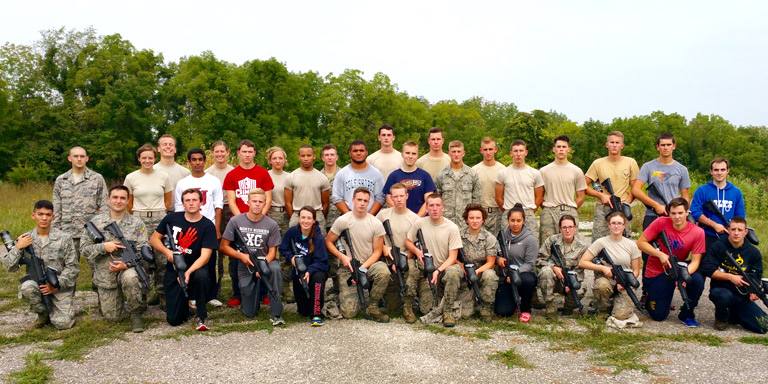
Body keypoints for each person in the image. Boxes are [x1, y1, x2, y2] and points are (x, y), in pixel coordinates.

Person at [80, 186, 149, 332]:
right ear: (108, 200)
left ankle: (135, 313)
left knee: (131, 278)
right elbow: (84, 249)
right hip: (106, 274)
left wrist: (126, 264)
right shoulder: (96, 223)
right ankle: (112, 300)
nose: (118, 201)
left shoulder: (137, 224)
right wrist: (103, 247)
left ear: (128, 200)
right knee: (113, 317)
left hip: (128, 269)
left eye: (123, 198)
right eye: (115, 197)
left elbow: (143, 250)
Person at [3, 200, 79, 330]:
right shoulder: (25, 239)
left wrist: (56, 285)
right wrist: (18, 248)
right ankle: (43, 314)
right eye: (40, 214)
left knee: (63, 324)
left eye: (48, 215)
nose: (44, 218)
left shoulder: (64, 238)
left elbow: (73, 268)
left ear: (53, 217)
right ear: (33, 215)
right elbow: (9, 267)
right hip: (37, 286)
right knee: (27, 287)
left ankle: (55, 311)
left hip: (59, 287)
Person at [631, 133, 691, 297]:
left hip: (674, 217)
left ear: (674, 146)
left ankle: (666, 292)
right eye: (662, 145)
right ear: (658, 147)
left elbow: (685, 195)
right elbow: (636, 190)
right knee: (648, 253)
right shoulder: (648, 167)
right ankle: (647, 292)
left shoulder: (681, 169)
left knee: (671, 254)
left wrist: (684, 212)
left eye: (668, 144)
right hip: (652, 215)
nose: (665, 147)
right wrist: (656, 205)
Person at [149, 189, 218, 331]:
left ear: (201, 203)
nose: (191, 203)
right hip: (174, 269)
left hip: (196, 268)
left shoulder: (207, 226)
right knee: (174, 320)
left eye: (194, 200)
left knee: (202, 276)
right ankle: (188, 307)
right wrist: (167, 252)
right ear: (183, 203)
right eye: (187, 200)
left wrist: (188, 273)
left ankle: (201, 313)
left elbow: (205, 256)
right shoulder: (171, 219)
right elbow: (154, 239)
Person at [325, 187, 391, 322]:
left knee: (384, 271)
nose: (362, 203)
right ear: (353, 200)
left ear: (369, 203)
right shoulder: (343, 221)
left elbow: (378, 251)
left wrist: (363, 268)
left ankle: (372, 306)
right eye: (359, 200)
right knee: (349, 313)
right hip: (348, 267)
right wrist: (342, 256)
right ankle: (340, 296)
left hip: (368, 264)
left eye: (365, 201)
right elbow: (329, 242)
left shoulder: (375, 223)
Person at [636, 198, 706, 326]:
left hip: (678, 266)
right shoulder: (660, 222)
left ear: (687, 213)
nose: (677, 217)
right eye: (673, 213)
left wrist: (684, 276)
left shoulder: (698, 232)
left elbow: (696, 261)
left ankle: (687, 313)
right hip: (657, 270)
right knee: (658, 315)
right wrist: (660, 254)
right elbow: (640, 243)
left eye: (680, 213)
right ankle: (651, 296)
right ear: (669, 213)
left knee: (697, 280)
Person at [219, 189, 285, 325]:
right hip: (245, 265)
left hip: (265, 262)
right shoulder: (235, 221)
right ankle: (253, 300)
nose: (257, 204)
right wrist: (240, 255)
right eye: (254, 201)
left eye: (260, 202)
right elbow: (223, 247)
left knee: (276, 269)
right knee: (249, 313)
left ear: (265, 204)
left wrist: (262, 266)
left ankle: (276, 312)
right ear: (248, 202)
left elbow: (273, 252)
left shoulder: (271, 224)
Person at [222, 139, 274, 307]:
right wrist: (241, 221)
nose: (247, 155)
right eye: (244, 151)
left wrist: (259, 219)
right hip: (240, 222)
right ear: (238, 153)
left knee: (262, 255)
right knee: (238, 258)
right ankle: (238, 293)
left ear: (254, 153)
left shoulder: (263, 173)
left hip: (260, 221)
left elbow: (267, 199)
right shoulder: (231, 175)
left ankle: (264, 292)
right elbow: (231, 201)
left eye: (250, 152)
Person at [173, 149, 224, 307]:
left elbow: (218, 206)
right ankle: (193, 294)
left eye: (200, 159)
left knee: (210, 262)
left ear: (204, 161)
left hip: (207, 226)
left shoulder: (213, 181)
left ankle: (211, 295)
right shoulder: (183, 183)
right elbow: (179, 208)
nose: (197, 162)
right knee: (190, 260)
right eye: (194, 159)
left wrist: (216, 229)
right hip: (188, 228)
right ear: (189, 162)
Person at [404, 193, 463, 327]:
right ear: (426, 208)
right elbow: (407, 241)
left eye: (437, 205)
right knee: (426, 308)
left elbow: (453, 257)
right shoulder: (419, 223)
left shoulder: (452, 228)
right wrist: (417, 251)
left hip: (443, 269)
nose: (434, 208)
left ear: (443, 207)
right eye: (431, 205)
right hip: (426, 271)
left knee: (454, 272)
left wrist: (438, 270)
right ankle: (408, 307)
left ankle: (448, 312)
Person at [124, 143, 172, 307]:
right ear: (139, 159)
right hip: (139, 220)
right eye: (144, 158)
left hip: (159, 218)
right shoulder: (131, 177)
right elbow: (128, 202)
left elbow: (167, 200)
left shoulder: (163, 176)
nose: (147, 160)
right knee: (141, 259)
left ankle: (162, 295)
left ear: (154, 158)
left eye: (150, 157)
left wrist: (159, 214)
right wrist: (136, 217)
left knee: (162, 260)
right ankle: (142, 297)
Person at [700, 217, 768, 333]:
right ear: (728, 230)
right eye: (733, 229)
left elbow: (756, 277)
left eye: (740, 230)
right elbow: (707, 269)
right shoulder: (718, 246)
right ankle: (721, 317)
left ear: (745, 232)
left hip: (743, 296)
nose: (736, 233)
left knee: (763, 326)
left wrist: (754, 293)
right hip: (722, 290)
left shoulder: (753, 253)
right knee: (721, 296)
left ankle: (734, 315)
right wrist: (730, 277)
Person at [579, 212, 642, 323]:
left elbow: (636, 270)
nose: (616, 226)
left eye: (619, 223)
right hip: (607, 279)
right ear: (608, 225)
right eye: (613, 223)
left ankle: (614, 304)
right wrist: (603, 268)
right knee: (601, 286)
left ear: (624, 226)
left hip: (625, 282)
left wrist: (625, 283)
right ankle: (603, 309)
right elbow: (583, 262)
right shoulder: (600, 242)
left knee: (620, 316)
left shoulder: (631, 245)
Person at [52, 146, 108, 260]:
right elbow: (56, 209)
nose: (79, 159)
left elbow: (104, 206)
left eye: (82, 156)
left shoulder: (97, 179)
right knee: (69, 267)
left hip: (91, 231)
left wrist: (103, 229)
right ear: (69, 158)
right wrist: (55, 231)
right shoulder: (61, 180)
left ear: (87, 158)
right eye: (75, 156)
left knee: (97, 266)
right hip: (68, 231)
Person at [279, 206, 330, 326]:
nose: (305, 221)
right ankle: (307, 308)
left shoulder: (318, 238)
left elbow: (321, 261)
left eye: (309, 218)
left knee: (317, 279)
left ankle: (317, 314)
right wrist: (291, 257)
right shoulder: (292, 232)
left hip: (317, 270)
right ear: (299, 219)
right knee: (303, 311)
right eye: (303, 217)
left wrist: (309, 271)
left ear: (314, 220)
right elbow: (283, 248)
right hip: (299, 271)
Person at [376, 183, 420, 318]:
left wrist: (405, 257)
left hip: (407, 257)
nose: (399, 199)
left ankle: (408, 306)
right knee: (392, 308)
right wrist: (383, 248)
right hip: (388, 258)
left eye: (402, 196)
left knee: (413, 269)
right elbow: (374, 237)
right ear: (391, 198)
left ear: (407, 196)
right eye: (396, 196)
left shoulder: (415, 219)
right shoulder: (382, 215)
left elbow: (417, 245)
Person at [585, 131, 639, 239]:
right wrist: (601, 195)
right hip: (603, 208)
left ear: (622, 146)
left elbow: (635, 189)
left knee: (624, 240)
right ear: (607, 145)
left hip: (622, 206)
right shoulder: (598, 163)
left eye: (617, 143)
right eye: (612, 142)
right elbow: (583, 186)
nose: (614, 145)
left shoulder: (630, 163)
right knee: (598, 241)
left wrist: (626, 205)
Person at [537, 214, 589, 317]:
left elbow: (580, 270)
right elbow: (539, 260)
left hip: (569, 280)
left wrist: (571, 282)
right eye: (564, 227)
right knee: (546, 271)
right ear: (560, 228)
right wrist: (553, 267)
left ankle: (568, 308)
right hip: (553, 279)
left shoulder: (582, 247)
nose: (567, 230)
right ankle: (550, 307)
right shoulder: (551, 241)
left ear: (575, 228)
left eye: (570, 227)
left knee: (580, 289)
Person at [538, 135, 586, 243]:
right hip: (549, 210)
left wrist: (571, 208)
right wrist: (547, 209)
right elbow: (539, 196)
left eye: (564, 147)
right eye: (558, 146)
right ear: (554, 149)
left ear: (568, 149)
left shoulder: (576, 171)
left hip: (569, 209)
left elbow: (581, 197)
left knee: (572, 243)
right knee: (547, 243)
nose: (561, 149)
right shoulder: (544, 171)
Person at [690, 158, 746, 249]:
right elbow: (695, 212)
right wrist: (714, 225)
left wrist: (732, 230)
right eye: (716, 170)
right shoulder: (702, 190)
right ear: (711, 171)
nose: (719, 173)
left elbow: (740, 217)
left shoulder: (736, 192)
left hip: (729, 238)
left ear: (728, 171)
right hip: (707, 236)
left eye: (723, 170)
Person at [495, 204, 538, 322]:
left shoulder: (530, 239)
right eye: (512, 220)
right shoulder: (502, 236)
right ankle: (513, 302)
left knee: (527, 281)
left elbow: (530, 264)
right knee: (502, 312)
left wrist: (514, 274)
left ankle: (525, 309)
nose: (515, 224)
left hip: (523, 275)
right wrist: (497, 259)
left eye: (518, 220)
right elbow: (494, 253)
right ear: (508, 220)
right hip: (505, 277)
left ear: (523, 221)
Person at [457, 204, 499, 323]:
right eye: (471, 218)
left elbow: (490, 263)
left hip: (481, 273)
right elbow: (453, 256)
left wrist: (476, 272)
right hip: (464, 274)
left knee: (490, 275)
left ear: (483, 219)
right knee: (465, 314)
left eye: (478, 218)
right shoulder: (458, 235)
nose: (475, 221)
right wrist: (461, 266)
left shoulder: (489, 238)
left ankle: (486, 307)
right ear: (466, 219)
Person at [495, 140, 543, 238]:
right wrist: (508, 212)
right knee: (507, 244)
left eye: (521, 151)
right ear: (511, 153)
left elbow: (539, 197)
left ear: (526, 152)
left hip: (528, 214)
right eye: (515, 151)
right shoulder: (503, 173)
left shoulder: (535, 173)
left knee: (531, 243)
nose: (518, 154)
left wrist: (530, 212)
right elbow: (498, 198)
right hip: (509, 213)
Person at [205, 140, 235, 293]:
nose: (219, 154)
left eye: (222, 151)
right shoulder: (208, 172)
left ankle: (234, 281)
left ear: (227, 152)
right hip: (215, 210)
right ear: (212, 153)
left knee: (231, 245)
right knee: (215, 247)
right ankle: (215, 285)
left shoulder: (233, 171)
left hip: (231, 208)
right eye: (216, 151)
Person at [266, 146, 293, 303]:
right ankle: (268, 286)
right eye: (274, 158)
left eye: (280, 158)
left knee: (285, 252)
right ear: (270, 160)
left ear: (284, 160)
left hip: (287, 214)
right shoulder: (266, 175)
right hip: (271, 214)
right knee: (269, 250)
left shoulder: (290, 176)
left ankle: (285, 287)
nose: (277, 161)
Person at [331, 140, 386, 215]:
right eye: (355, 151)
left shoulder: (376, 173)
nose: (358, 153)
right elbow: (337, 198)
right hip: (348, 218)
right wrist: (350, 217)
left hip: (370, 219)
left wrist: (368, 217)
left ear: (366, 152)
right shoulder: (342, 174)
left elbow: (380, 198)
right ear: (350, 153)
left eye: (361, 150)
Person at [434, 140, 482, 225]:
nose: (456, 154)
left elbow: (477, 200)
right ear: (449, 153)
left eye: (459, 151)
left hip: (465, 222)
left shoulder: (472, 174)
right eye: (453, 152)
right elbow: (436, 200)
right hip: (446, 222)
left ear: (463, 153)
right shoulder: (441, 175)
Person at [383, 141, 436, 217]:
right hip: (399, 219)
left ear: (417, 156)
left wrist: (416, 219)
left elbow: (428, 201)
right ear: (402, 155)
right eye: (407, 153)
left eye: (413, 154)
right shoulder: (393, 176)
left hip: (420, 221)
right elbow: (390, 202)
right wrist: (404, 218)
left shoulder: (425, 176)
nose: (410, 156)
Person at [286, 145, 331, 231]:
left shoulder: (322, 178)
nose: (306, 158)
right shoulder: (291, 177)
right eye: (303, 156)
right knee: (295, 242)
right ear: (299, 157)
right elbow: (288, 202)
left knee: (318, 242)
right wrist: (295, 216)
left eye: (309, 155)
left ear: (314, 157)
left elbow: (325, 203)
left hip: (317, 214)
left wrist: (319, 215)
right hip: (297, 214)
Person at [472, 137, 505, 235]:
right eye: (485, 149)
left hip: (497, 211)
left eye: (490, 149)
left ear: (495, 150)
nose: (488, 152)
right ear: (481, 151)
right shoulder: (474, 170)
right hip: (480, 212)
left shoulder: (503, 170)